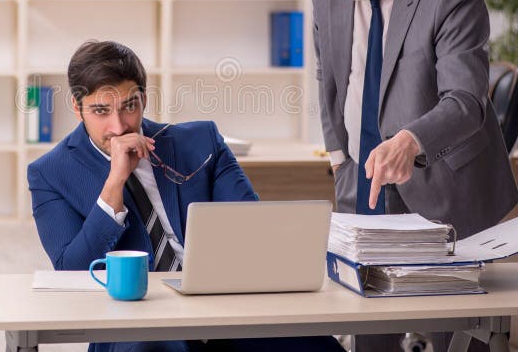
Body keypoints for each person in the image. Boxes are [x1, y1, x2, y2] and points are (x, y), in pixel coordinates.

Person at [28, 40, 343, 352]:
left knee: (317, 347)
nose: (119, 125)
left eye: (129, 106)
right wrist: (115, 183)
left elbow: (251, 230)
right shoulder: (50, 173)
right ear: (76, 106)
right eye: (101, 110)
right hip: (136, 324)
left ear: (144, 98)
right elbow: (73, 270)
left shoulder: (202, 141)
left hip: (223, 307)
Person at [310, 0, 518, 351]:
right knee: (370, 329)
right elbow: (327, 66)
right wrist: (340, 155)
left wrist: (410, 141)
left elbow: (466, 100)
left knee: (457, 334)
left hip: (446, 181)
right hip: (365, 173)